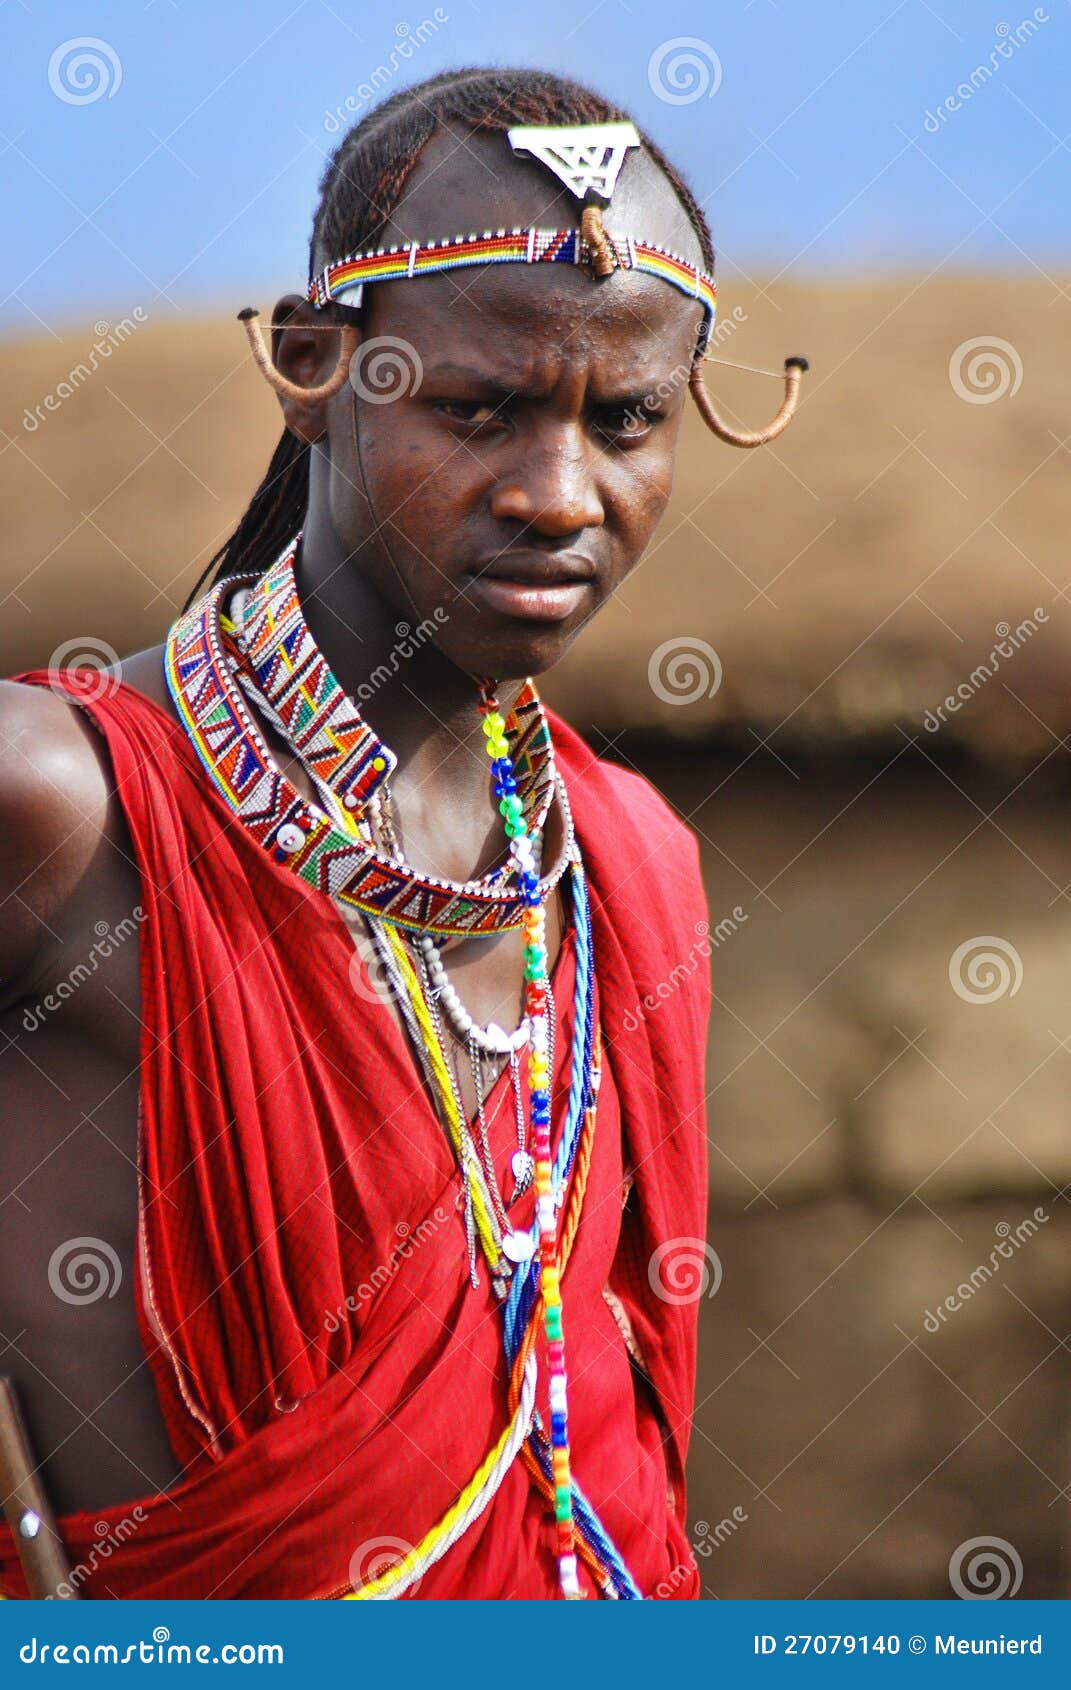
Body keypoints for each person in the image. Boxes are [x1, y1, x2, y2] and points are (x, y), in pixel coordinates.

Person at [0, 66, 801, 1600]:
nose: (562, 495)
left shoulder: (625, 862)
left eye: (627, 420)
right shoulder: (62, 799)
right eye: (479, 409)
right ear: (314, 367)